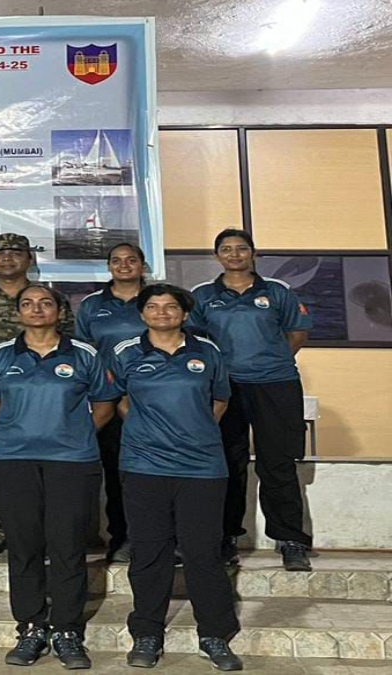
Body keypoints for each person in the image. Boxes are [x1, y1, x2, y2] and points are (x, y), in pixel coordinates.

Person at [0, 285, 115, 670]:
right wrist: (9, 431)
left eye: (45, 303)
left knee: (68, 545)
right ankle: (32, 627)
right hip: (13, 462)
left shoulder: (84, 354)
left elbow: (104, 403)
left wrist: (77, 434)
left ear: (60, 311)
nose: (37, 310)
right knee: (24, 546)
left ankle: (67, 629)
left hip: (71, 462)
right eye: (28, 304)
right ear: (18, 312)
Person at [109, 284, 243, 671]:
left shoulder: (208, 352)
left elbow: (219, 401)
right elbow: (117, 399)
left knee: (203, 553)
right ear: (142, 313)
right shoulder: (125, 353)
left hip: (201, 469)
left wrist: (192, 432)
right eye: (153, 306)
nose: (162, 312)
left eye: (171, 307)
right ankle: (147, 632)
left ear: (185, 314)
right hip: (144, 467)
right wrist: (150, 431)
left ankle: (215, 635)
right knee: (149, 552)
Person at [190, 228, 314, 571]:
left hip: (276, 385)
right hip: (224, 388)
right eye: (226, 249)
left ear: (253, 253)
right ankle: (226, 537)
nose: (234, 255)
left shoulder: (277, 291)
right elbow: (196, 342)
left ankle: (290, 540)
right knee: (227, 462)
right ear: (217, 256)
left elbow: (297, 332)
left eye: (240, 249)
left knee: (278, 462)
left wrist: (269, 363)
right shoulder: (202, 296)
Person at [0, 233, 74, 559]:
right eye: (0, 253)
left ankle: (43, 531)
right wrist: (0, 383)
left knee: (46, 469)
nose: (7, 259)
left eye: (16, 253)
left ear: (29, 259)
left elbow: (67, 347)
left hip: (46, 401)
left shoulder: (51, 300)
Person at [74, 242, 148, 563]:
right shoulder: (92, 305)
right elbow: (83, 353)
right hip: (109, 400)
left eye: (131, 260)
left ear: (142, 265)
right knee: (118, 473)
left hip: (154, 401)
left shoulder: (158, 300)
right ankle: (123, 538)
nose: (124, 265)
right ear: (109, 267)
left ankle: (162, 539)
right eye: (116, 261)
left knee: (157, 473)